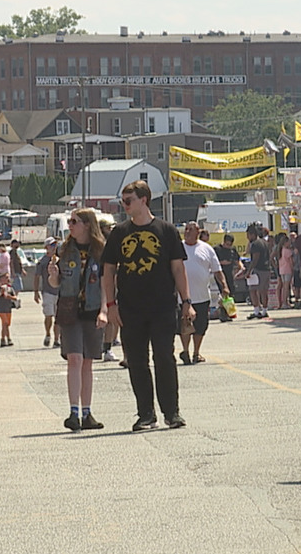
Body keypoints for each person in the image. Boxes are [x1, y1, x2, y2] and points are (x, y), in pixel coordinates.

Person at [102, 180, 192, 431]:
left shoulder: (166, 230)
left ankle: (172, 412)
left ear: (144, 200)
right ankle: (146, 414)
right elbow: (108, 271)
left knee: (164, 357)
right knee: (137, 361)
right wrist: (110, 305)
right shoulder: (119, 233)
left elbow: (178, 268)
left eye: (129, 200)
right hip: (130, 308)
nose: (125, 205)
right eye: (123, 201)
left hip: (163, 306)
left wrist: (187, 302)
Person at [50, 209, 109, 430]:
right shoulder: (65, 250)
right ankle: (73, 412)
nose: (70, 225)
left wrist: (104, 310)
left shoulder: (101, 251)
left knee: (88, 362)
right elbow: (57, 283)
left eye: (74, 221)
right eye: (69, 221)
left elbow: (106, 283)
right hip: (70, 309)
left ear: (87, 225)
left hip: (92, 310)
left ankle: (87, 413)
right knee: (74, 358)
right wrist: (53, 275)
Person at [180, 221, 228, 364]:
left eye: (190, 229)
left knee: (200, 326)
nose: (187, 232)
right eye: (186, 229)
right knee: (185, 325)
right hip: (182, 297)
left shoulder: (206, 249)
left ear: (198, 232)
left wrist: (224, 286)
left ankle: (196, 353)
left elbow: (217, 270)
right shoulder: (178, 247)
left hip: (202, 296)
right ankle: (185, 352)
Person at [98, 220, 122, 363]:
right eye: (109, 227)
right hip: (96, 282)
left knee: (110, 315)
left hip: (110, 281)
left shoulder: (113, 243)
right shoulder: (97, 245)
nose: (111, 230)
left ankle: (107, 348)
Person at [33, 238, 62, 348]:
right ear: (46, 247)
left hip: (59, 291)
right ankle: (48, 334)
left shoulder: (61, 260)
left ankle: (57, 339)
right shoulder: (42, 261)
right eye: (51, 245)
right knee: (48, 315)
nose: (54, 247)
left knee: (58, 317)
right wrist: (36, 292)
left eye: (55, 245)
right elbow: (37, 276)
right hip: (48, 291)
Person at [246, 224, 272, 319]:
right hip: (266, 269)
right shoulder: (264, 242)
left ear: (252, 234)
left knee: (253, 290)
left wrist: (249, 271)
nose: (247, 237)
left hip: (258, 270)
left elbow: (255, 259)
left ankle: (257, 311)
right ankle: (264, 311)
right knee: (264, 291)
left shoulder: (255, 244)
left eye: (248, 235)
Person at [0, 273, 17, 347]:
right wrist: (1, 293)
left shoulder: (10, 288)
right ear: (1, 280)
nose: (7, 279)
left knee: (7, 324)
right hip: (1, 309)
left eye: (8, 277)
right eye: (5, 278)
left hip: (8, 309)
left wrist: (9, 297)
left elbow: (15, 297)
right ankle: (8, 338)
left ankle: (3, 339)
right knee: (5, 323)